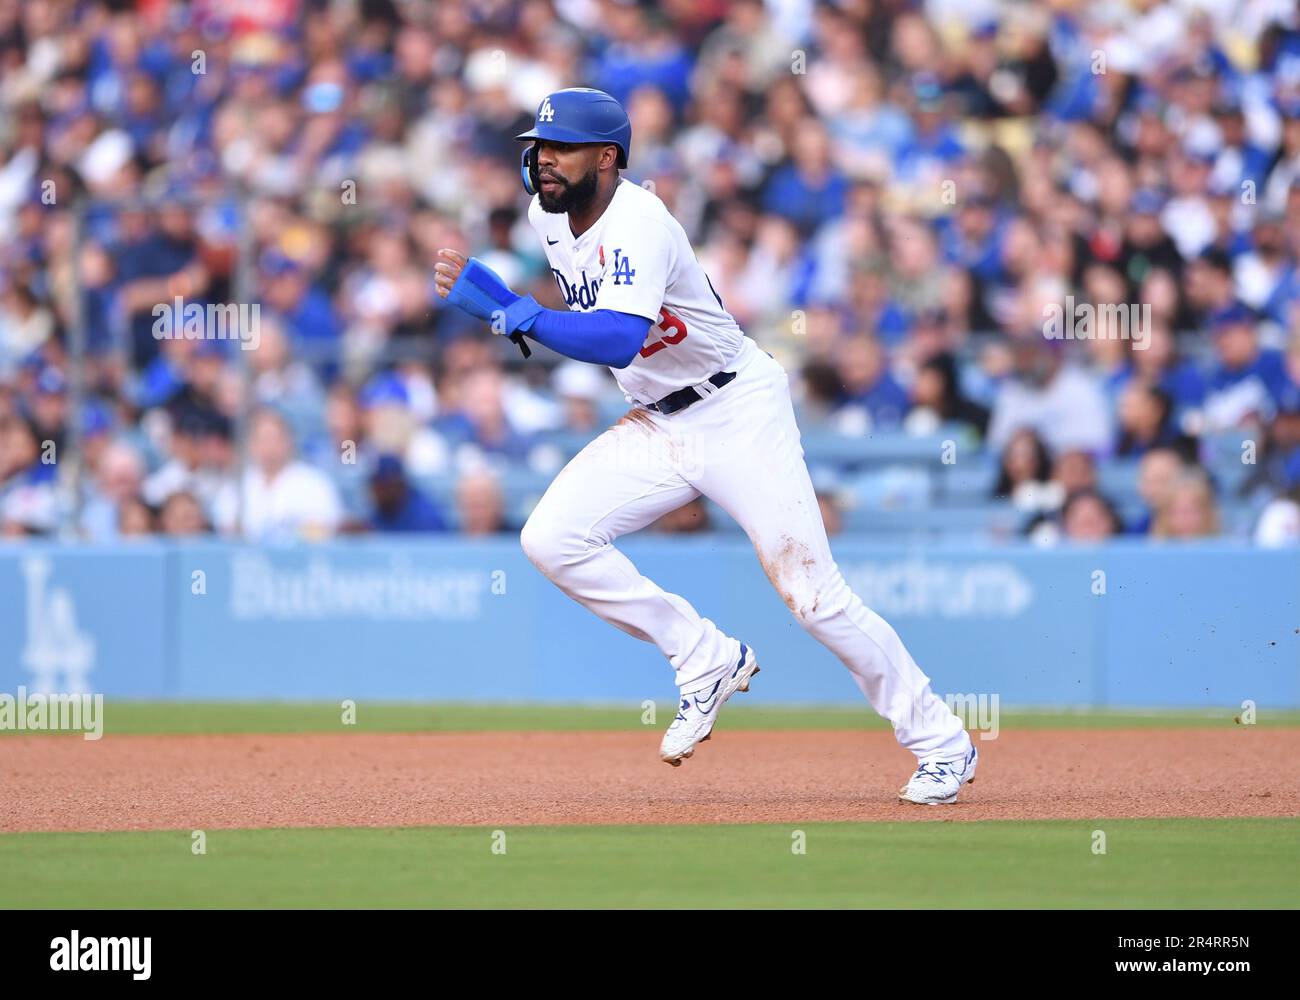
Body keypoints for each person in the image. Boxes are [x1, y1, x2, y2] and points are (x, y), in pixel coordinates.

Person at [436, 88, 976, 804]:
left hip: (735, 408)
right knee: (551, 538)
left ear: (609, 157)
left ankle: (942, 743)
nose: (544, 160)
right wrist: (509, 309)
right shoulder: (546, 215)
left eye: (562, 147)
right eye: (539, 147)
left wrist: (522, 316)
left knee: (814, 597)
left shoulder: (640, 221)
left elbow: (618, 336)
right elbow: (585, 328)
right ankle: (703, 656)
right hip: (657, 419)